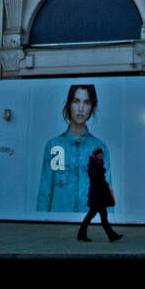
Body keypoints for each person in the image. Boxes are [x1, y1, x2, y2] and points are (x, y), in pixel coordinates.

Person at [38, 84, 111, 212]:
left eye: (86, 102)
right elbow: (45, 192)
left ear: (92, 107)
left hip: (89, 225)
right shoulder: (54, 146)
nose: (81, 108)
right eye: (76, 101)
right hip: (58, 227)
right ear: (69, 104)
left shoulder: (100, 149)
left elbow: (105, 195)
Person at [77, 148, 122, 242]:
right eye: (99, 154)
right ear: (95, 155)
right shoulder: (94, 165)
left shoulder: (98, 164)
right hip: (97, 197)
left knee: (97, 216)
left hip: (98, 197)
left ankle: (82, 234)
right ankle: (111, 236)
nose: (101, 155)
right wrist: (101, 172)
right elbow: (95, 179)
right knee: (99, 217)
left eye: (101, 154)